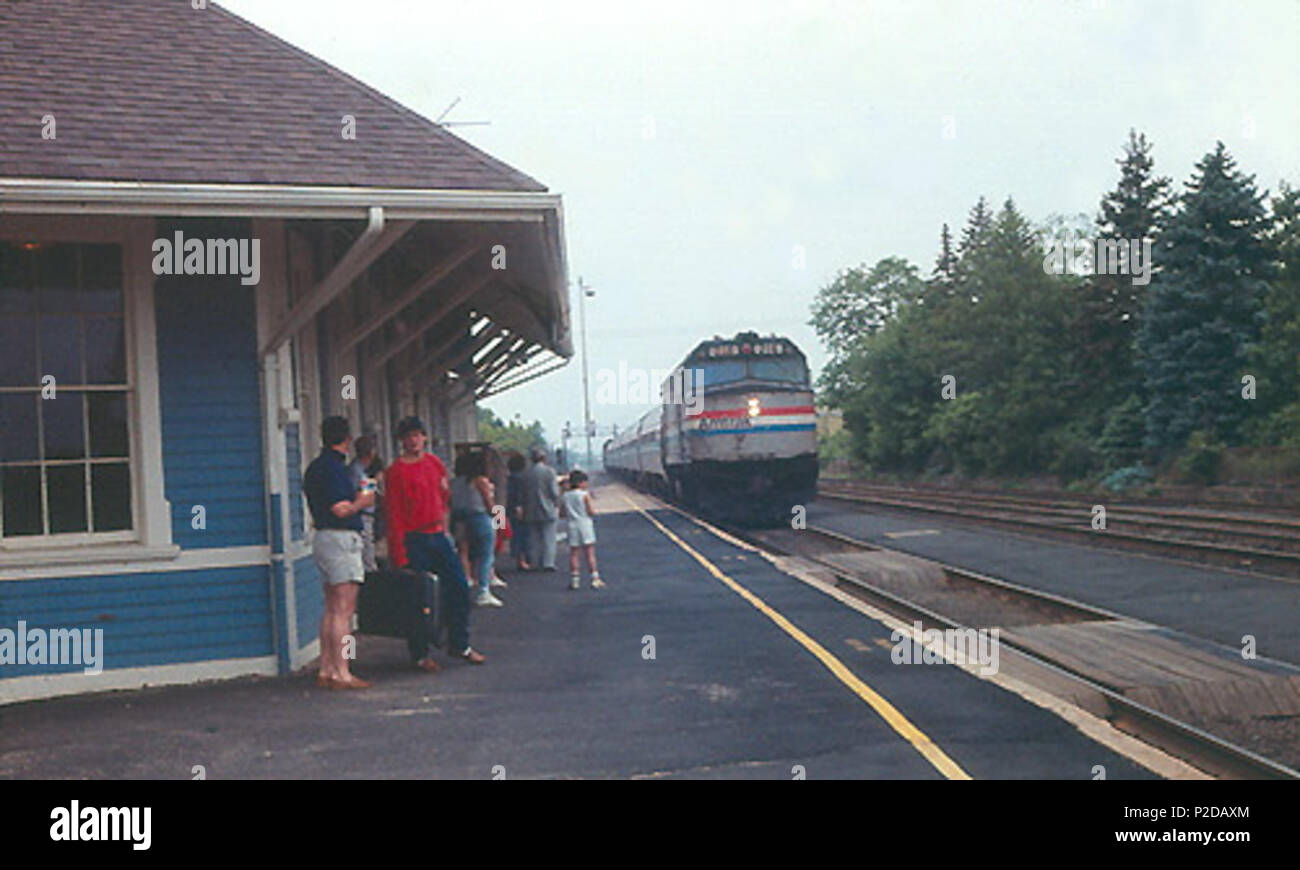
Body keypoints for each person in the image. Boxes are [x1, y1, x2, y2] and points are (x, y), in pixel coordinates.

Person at [385, 417, 486, 669]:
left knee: (459, 587)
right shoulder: (395, 471)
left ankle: (459, 643)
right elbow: (394, 513)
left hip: (438, 534)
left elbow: (444, 497)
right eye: (408, 437)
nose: (413, 441)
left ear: (425, 437)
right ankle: (420, 654)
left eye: (418, 435)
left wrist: (446, 530)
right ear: (401, 441)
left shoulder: (435, 464)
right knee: (418, 598)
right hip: (413, 538)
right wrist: (399, 553)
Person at [303, 416, 375, 690]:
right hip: (341, 538)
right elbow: (341, 509)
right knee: (344, 610)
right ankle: (342, 671)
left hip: (322, 536)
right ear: (346, 439)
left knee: (331, 607)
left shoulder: (314, 468)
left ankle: (326, 667)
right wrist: (363, 501)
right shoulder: (334, 469)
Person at [451, 451, 503, 607]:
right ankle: (484, 590)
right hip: (479, 517)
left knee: (463, 551)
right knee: (486, 555)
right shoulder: (480, 480)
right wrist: (499, 520)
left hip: (459, 518)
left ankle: (466, 581)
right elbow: (490, 503)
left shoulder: (454, 482)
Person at [560, 469, 602, 590]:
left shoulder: (565, 496)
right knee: (589, 553)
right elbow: (590, 511)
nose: (587, 484)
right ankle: (595, 578)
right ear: (580, 483)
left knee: (574, 553)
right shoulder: (584, 495)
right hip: (585, 525)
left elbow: (562, 514)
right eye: (585, 482)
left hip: (571, 525)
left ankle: (575, 580)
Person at [521, 445, 560, 571]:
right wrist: (557, 503)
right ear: (544, 458)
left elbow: (523, 493)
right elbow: (554, 492)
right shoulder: (550, 472)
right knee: (549, 538)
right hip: (547, 508)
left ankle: (534, 562)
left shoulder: (526, 473)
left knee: (533, 538)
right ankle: (548, 563)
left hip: (530, 509)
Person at [349, 434, 381, 574]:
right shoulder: (356, 471)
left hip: (367, 516)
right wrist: (375, 481)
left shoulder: (361, 470)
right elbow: (363, 496)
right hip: (362, 516)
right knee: (367, 559)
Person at [505, 451, 532, 570]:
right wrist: (519, 506)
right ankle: (522, 560)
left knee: (507, 534)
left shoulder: (508, 478)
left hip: (500, 509)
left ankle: (518, 559)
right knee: (520, 534)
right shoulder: (519, 478)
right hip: (513, 509)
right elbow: (518, 494)